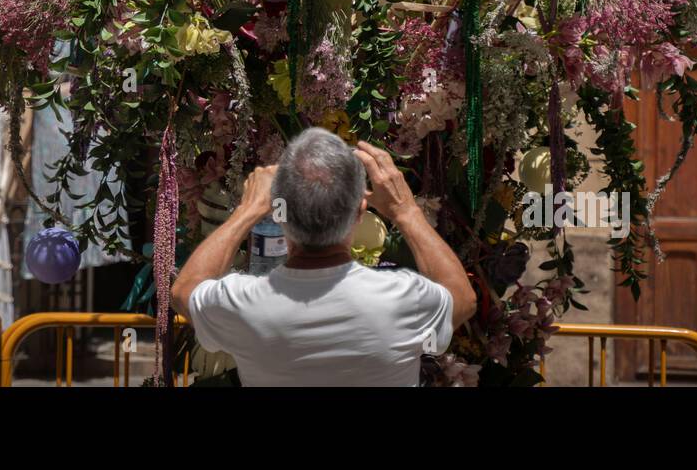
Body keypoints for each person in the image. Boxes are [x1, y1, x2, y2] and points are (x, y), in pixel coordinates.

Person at [171, 128, 477, 386]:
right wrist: (406, 212)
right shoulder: (402, 299)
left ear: (279, 214)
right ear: (359, 212)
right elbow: (463, 298)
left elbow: (184, 291)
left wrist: (247, 210)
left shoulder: (243, 303)